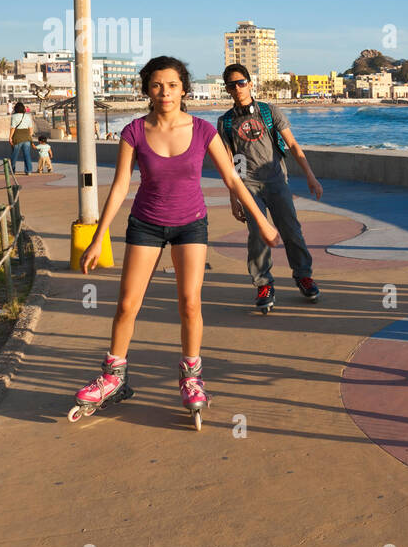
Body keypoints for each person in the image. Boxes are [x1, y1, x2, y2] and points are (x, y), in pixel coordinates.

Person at [75, 56, 281, 420]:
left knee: (189, 303)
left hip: (191, 225)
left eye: (171, 85)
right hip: (146, 223)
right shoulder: (134, 131)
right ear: (147, 90)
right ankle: (114, 376)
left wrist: (261, 221)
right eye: (156, 85)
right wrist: (97, 237)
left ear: (184, 88)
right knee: (127, 305)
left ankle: (191, 378)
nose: (164, 92)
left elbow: (233, 178)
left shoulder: (203, 130)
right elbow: (121, 185)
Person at [217, 63, 324, 311]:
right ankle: (263, 284)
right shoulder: (226, 122)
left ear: (250, 83)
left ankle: (303, 276)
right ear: (228, 90)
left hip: (276, 180)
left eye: (241, 82)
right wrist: (234, 198)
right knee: (257, 235)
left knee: (291, 231)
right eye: (232, 85)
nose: (238, 88)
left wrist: (310, 176)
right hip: (248, 186)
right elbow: (229, 162)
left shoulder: (269, 112)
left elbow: (294, 146)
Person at [9, 101, 35, 176]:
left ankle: (12, 170)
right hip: (26, 137)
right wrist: (29, 136)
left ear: (15, 109)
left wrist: (10, 137)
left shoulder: (14, 116)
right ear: (23, 108)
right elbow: (30, 129)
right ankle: (29, 170)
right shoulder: (27, 116)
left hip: (17, 137)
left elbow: (13, 128)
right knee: (27, 155)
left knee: (14, 154)